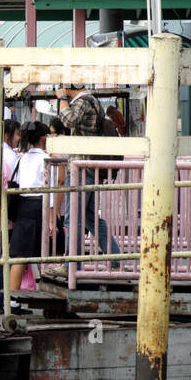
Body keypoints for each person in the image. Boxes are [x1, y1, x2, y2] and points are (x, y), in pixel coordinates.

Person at [55, 83, 120, 259]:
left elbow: (68, 120)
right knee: (90, 218)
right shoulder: (93, 101)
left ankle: (72, 264)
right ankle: (115, 256)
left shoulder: (82, 102)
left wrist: (62, 98)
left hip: (80, 168)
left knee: (73, 218)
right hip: (89, 168)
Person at [8, 122, 50, 311]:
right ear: (44, 138)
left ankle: (12, 300)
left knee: (20, 256)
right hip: (40, 205)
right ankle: (51, 296)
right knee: (50, 255)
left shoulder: (21, 159)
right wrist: (51, 218)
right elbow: (51, 190)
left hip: (23, 206)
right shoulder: (47, 160)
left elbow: (15, 182)